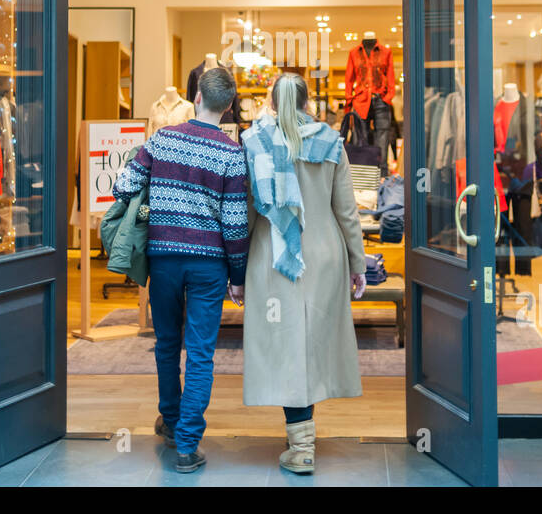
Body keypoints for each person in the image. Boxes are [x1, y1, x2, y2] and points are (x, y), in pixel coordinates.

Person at [111, 66, 249, 473]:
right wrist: (237, 277)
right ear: (227, 108)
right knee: (202, 352)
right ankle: (188, 444)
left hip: (164, 259)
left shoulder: (162, 139)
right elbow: (236, 224)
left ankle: (170, 422)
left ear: (198, 99)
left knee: (168, 344)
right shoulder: (231, 153)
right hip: (209, 265)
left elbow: (123, 185)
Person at [238, 73, 367, 475]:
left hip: (273, 252)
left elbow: (244, 211)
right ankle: (303, 440)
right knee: (311, 343)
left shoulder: (254, 142)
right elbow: (347, 212)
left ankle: (301, 444)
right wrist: (358, 264)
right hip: (324, 252)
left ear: (271, 104)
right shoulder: (331, 142)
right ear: (309, 102)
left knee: (284, 344)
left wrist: (235, 269)